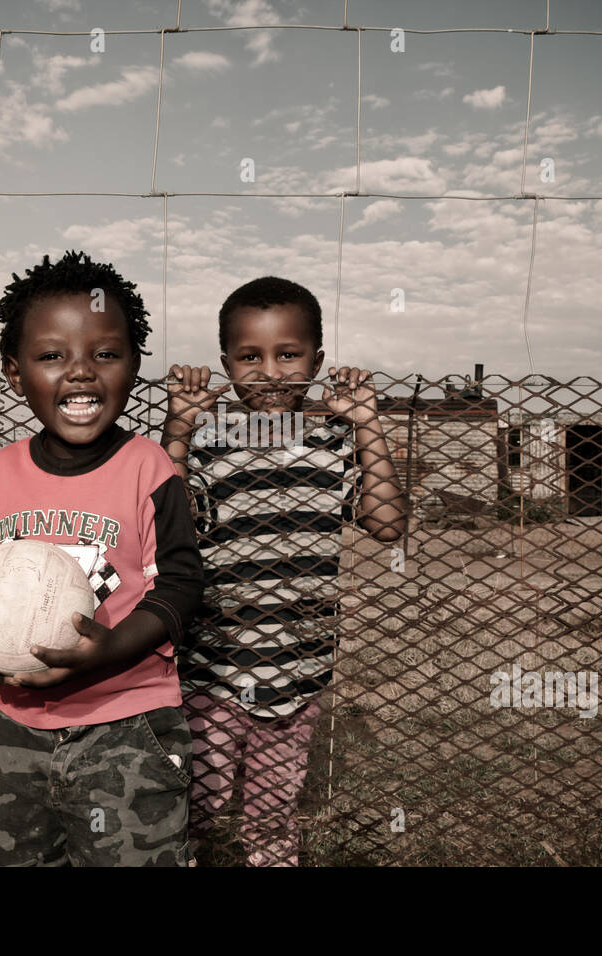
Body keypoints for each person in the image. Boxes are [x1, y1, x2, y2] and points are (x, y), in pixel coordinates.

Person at [0, 250, 203, 866]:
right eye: (52, 355)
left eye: (105, 354)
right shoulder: (0, 473)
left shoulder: (147, 468)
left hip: (128, 727)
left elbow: (183, 584)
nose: (80, 373)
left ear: (134, 365)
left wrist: (109, 648)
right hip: (14, 728)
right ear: (14, 370)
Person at [162, 275, 407, 866]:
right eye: (250, 357)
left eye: (288, 354)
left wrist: (367, 423)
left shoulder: (330, 443)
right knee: (196, 803)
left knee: (272, 815)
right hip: (209, 670)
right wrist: (180, 426)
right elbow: (162, 524)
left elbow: (388, 523)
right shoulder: (210, 444)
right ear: (226, 364)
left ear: (317, 361)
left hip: (296, 675)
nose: (270, 372)